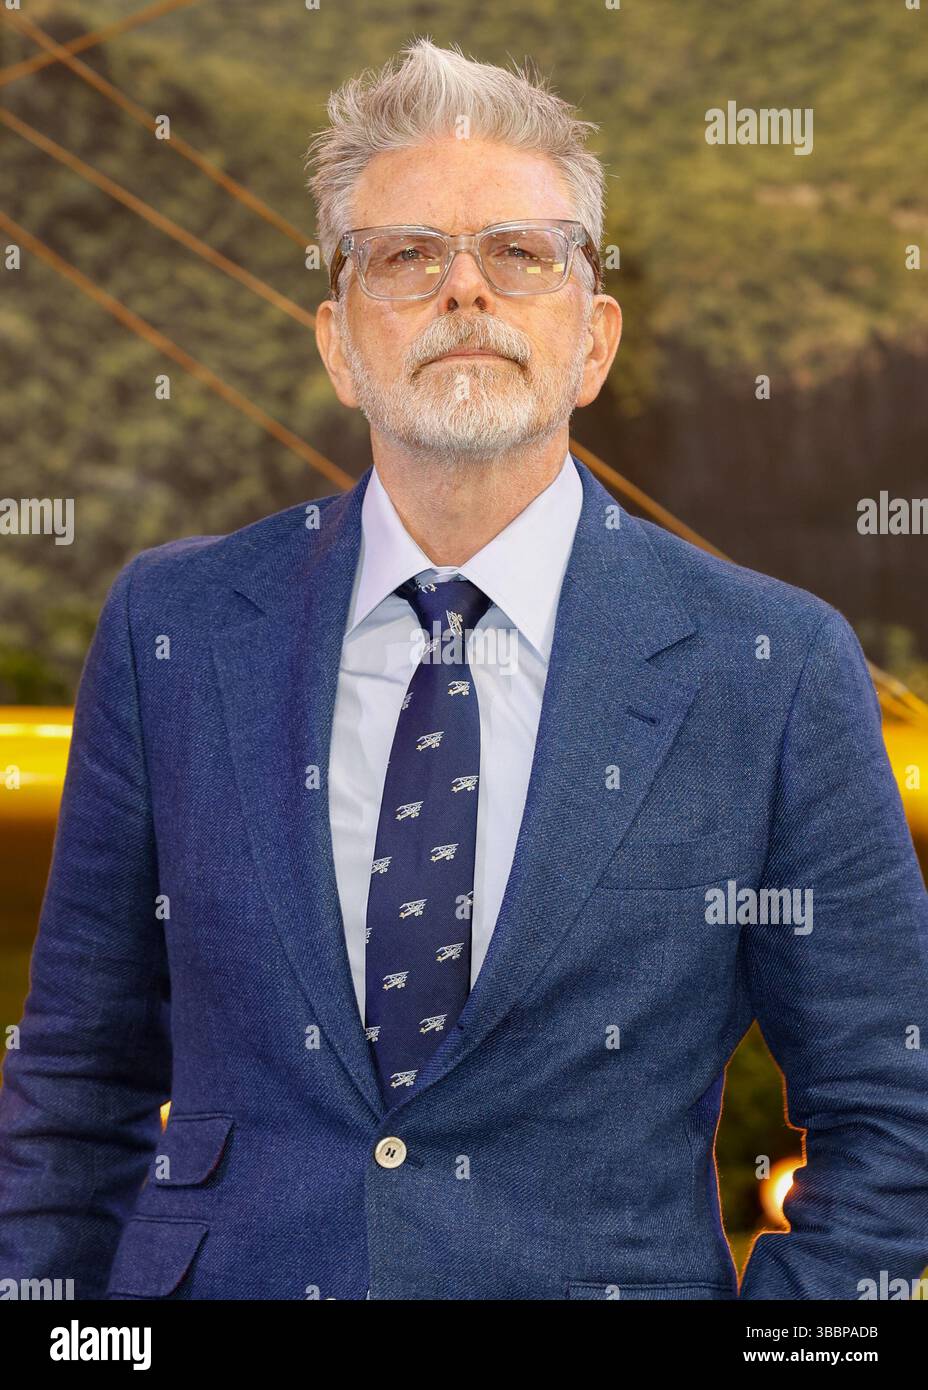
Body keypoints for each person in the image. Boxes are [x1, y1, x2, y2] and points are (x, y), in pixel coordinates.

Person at [1, 39, 926, 1302]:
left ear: (593, 339)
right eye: (404, 256)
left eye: (520, 252)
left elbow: (895, 1112)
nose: (464, 294)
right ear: (337, 343)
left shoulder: (770, 665)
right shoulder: (175, 626)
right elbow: (73, 1091)